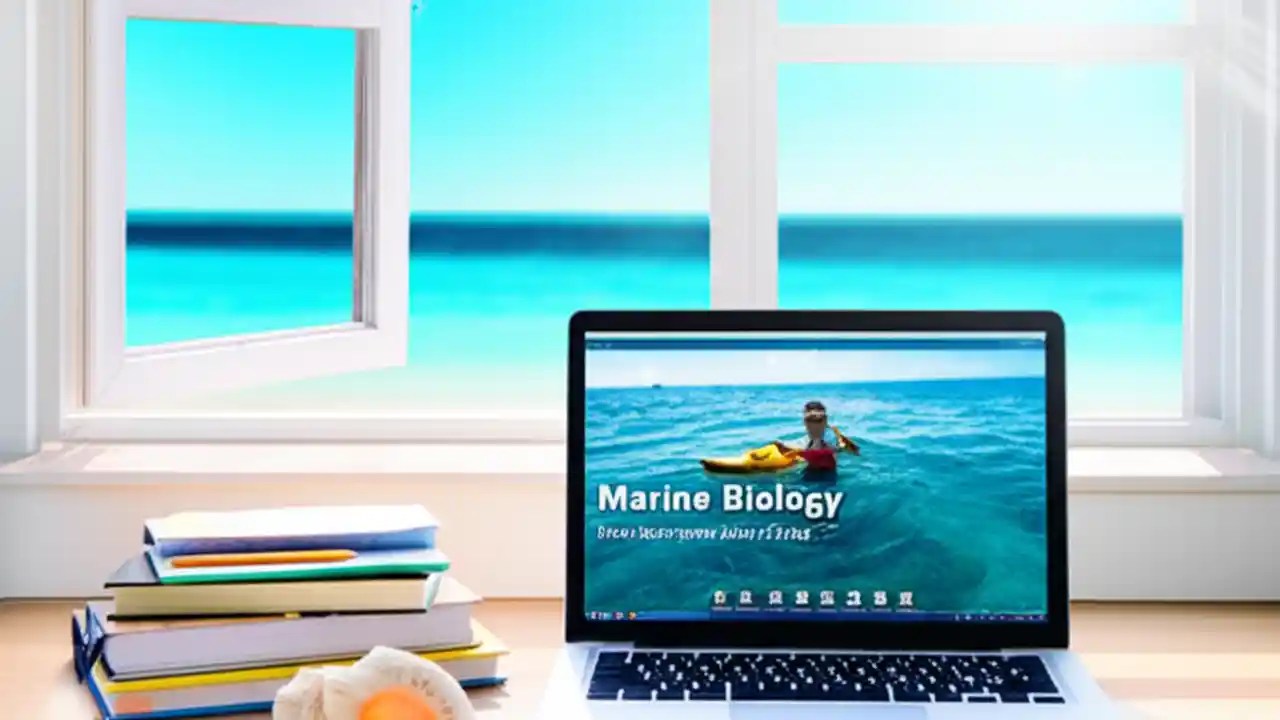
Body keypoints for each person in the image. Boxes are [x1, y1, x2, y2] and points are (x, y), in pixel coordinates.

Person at [774, 401, 860, 455]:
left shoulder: (829, 434)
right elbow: (803, 442)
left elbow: (822, 448)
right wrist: (785, 444)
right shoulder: (831, 433)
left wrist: (787, 446)